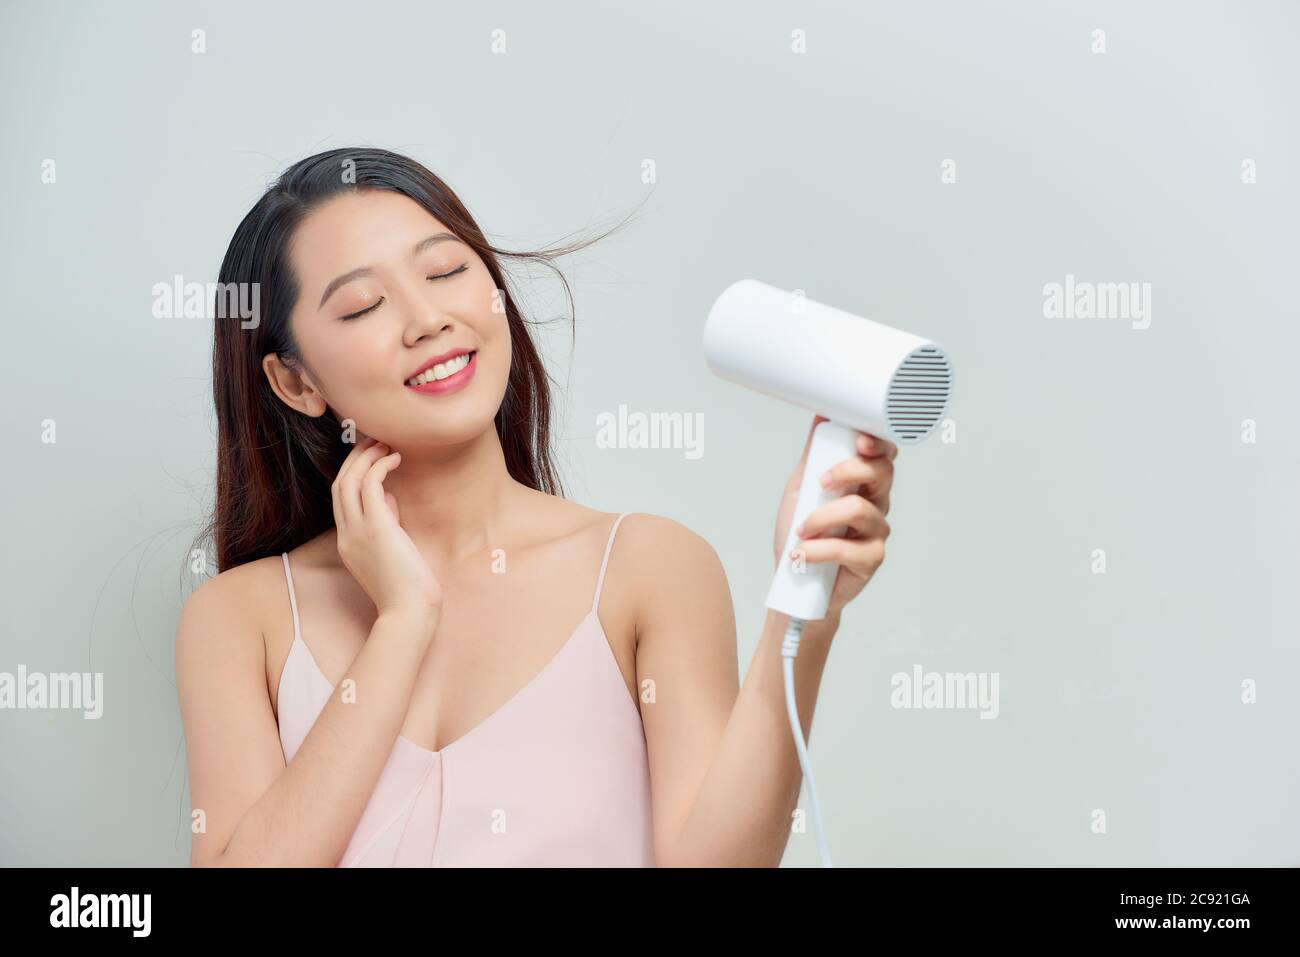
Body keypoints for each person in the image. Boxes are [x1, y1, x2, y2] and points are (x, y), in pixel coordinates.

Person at [175, 147, 896, 867]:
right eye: (364, 305)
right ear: (296, 382)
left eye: (448, 271)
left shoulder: (650, 568)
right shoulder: (243, 619)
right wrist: (401, 622)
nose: (428, 319)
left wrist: (804, 613)